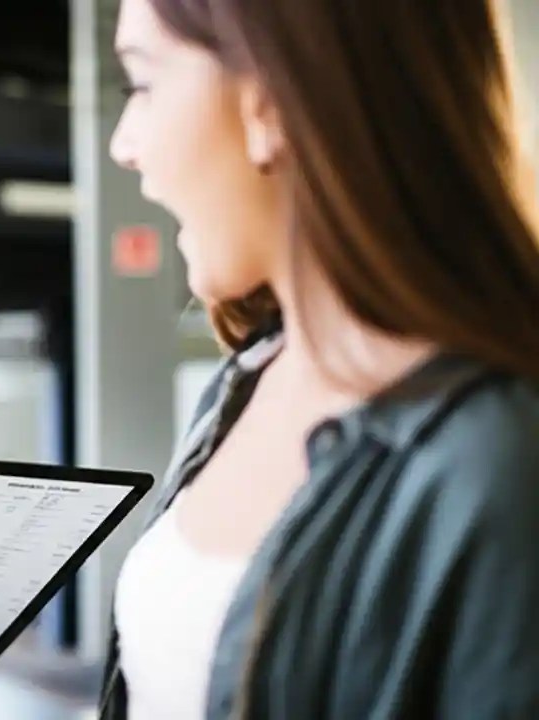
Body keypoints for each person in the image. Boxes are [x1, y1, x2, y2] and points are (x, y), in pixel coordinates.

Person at [100, 0, 539, 718]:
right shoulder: (249, 378)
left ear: (269, 101)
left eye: (141, 84)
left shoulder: (497, 460)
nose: (125, 144)